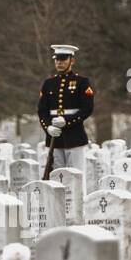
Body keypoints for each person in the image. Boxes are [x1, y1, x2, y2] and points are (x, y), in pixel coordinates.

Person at [37, 44, 95, 179]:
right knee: (57, 176)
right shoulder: (48, 84)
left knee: (76, 176)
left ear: (72, 61)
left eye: (63, 59)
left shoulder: (82, 82)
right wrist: (48, 127)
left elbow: (87, 109)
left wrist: (67, 121)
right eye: (57, 59)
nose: (59, 62)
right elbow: (42, 111)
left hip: (75, 136)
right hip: (55, 138)